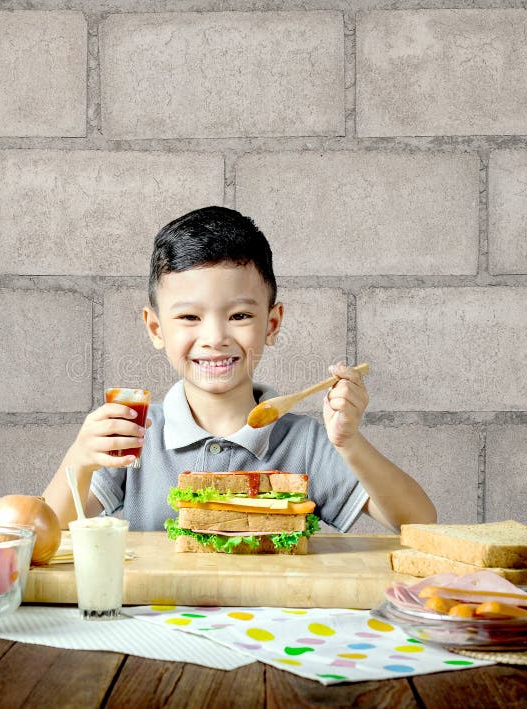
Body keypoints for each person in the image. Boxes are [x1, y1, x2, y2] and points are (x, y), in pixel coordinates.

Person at [43, 206, 436, 532]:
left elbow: (419, 521)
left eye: (240, 315)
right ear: (156, 328)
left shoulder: (308, 442)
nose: (215, 337)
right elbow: (45, 530)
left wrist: (349, 442)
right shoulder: (135, 436)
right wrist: (79, 459)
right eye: (190, 317)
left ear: (272, 324)